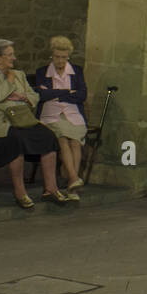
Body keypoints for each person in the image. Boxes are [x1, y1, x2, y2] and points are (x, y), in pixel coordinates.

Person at [0, 39, 76, 208]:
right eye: (9, 55)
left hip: (22, 119)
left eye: (13, 54)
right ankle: (20, 192)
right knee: (17, 141)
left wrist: (19, 97)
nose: (14, 58)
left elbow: (33, 97)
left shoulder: (18, 74)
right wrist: (11, 88)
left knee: (48, 136)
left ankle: (51, 189)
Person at [32, 36, 89, 192]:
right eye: (57, 57)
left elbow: (82, 95)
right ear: (52, 55)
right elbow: (42, 96)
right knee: (62, 139)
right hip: (51, 114)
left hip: (73, 113)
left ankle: (71, 180)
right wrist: (67, 92)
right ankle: (73, 179)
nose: (60, 60)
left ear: (68, 56)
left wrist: (55, 93)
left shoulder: (76, 71)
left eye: (64, 57)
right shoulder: (42, 72)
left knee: (75, 142)